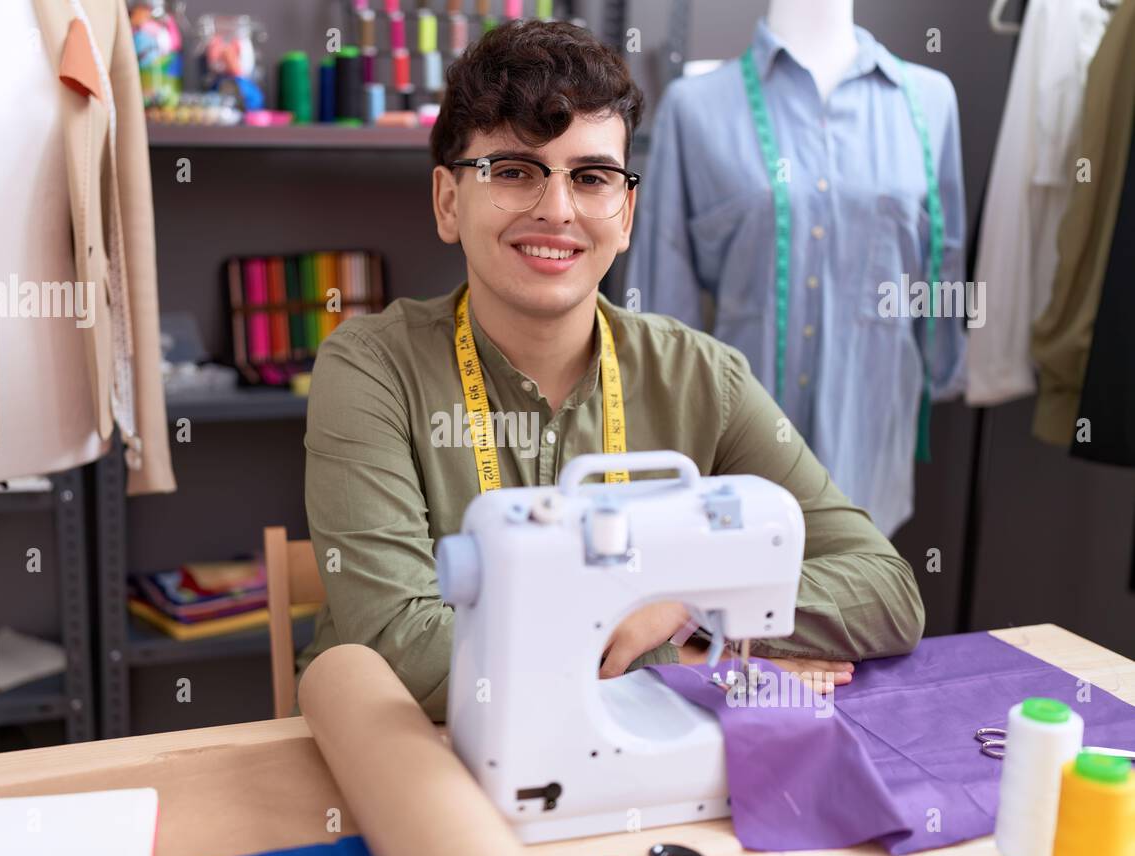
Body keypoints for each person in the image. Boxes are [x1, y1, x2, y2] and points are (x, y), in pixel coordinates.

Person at [294, 19, 923, 722]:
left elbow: (888, 590)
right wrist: (688, 661)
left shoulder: (703, 375)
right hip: (417, 768)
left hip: (633, 764)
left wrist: (692, 605)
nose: (557, 210)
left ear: (625, 212)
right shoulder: (371, 368)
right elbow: (404, 649)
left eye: (592, 177)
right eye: (513, 171)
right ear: (448, 201)